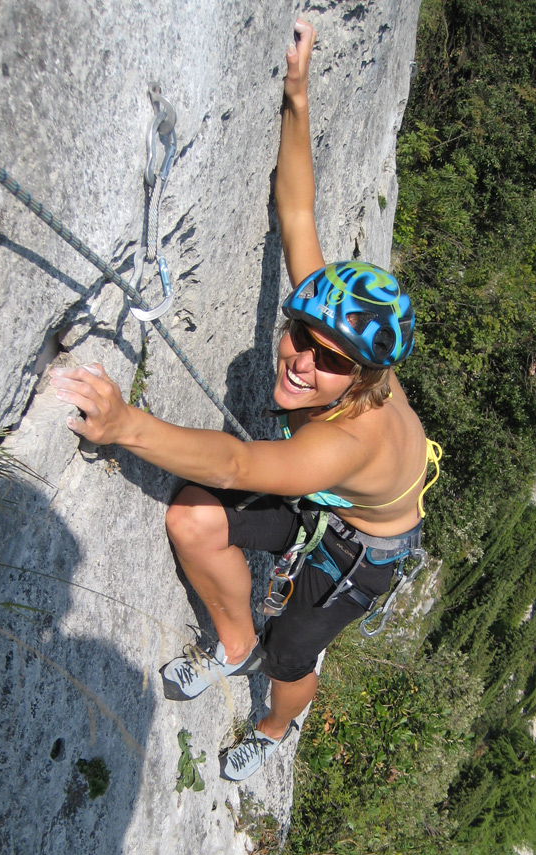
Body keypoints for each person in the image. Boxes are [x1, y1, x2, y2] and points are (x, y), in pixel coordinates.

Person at [50, 19, 440, 781]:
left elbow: (236, 457)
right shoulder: (334, 337)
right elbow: (297, 211)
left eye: (330, 362)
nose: (300, 360)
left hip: (361, 547)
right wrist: (297, 95)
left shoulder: (344, 439)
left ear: (364, 381)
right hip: (317, 492)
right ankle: (233, 645)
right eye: (300, 333)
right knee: (193, 517)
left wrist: (127, 423)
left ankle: (274, 725)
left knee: (294, 647)